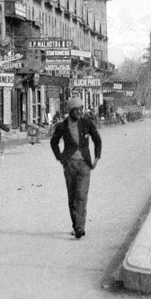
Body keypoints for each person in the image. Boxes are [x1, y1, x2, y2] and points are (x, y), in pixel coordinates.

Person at [50, 96, 103, 239]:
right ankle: (76, 224)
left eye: (81, 108)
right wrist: (60, 157)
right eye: (76, 109)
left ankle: (80, 227)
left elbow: (97, 139)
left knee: (81, 195)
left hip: (84, 165)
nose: (79, 112)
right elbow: (53, 142)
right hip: (69, 165)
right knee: (72, 196)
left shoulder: (86, 123)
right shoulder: (62, 126)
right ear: (70, 111)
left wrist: (97, 156)